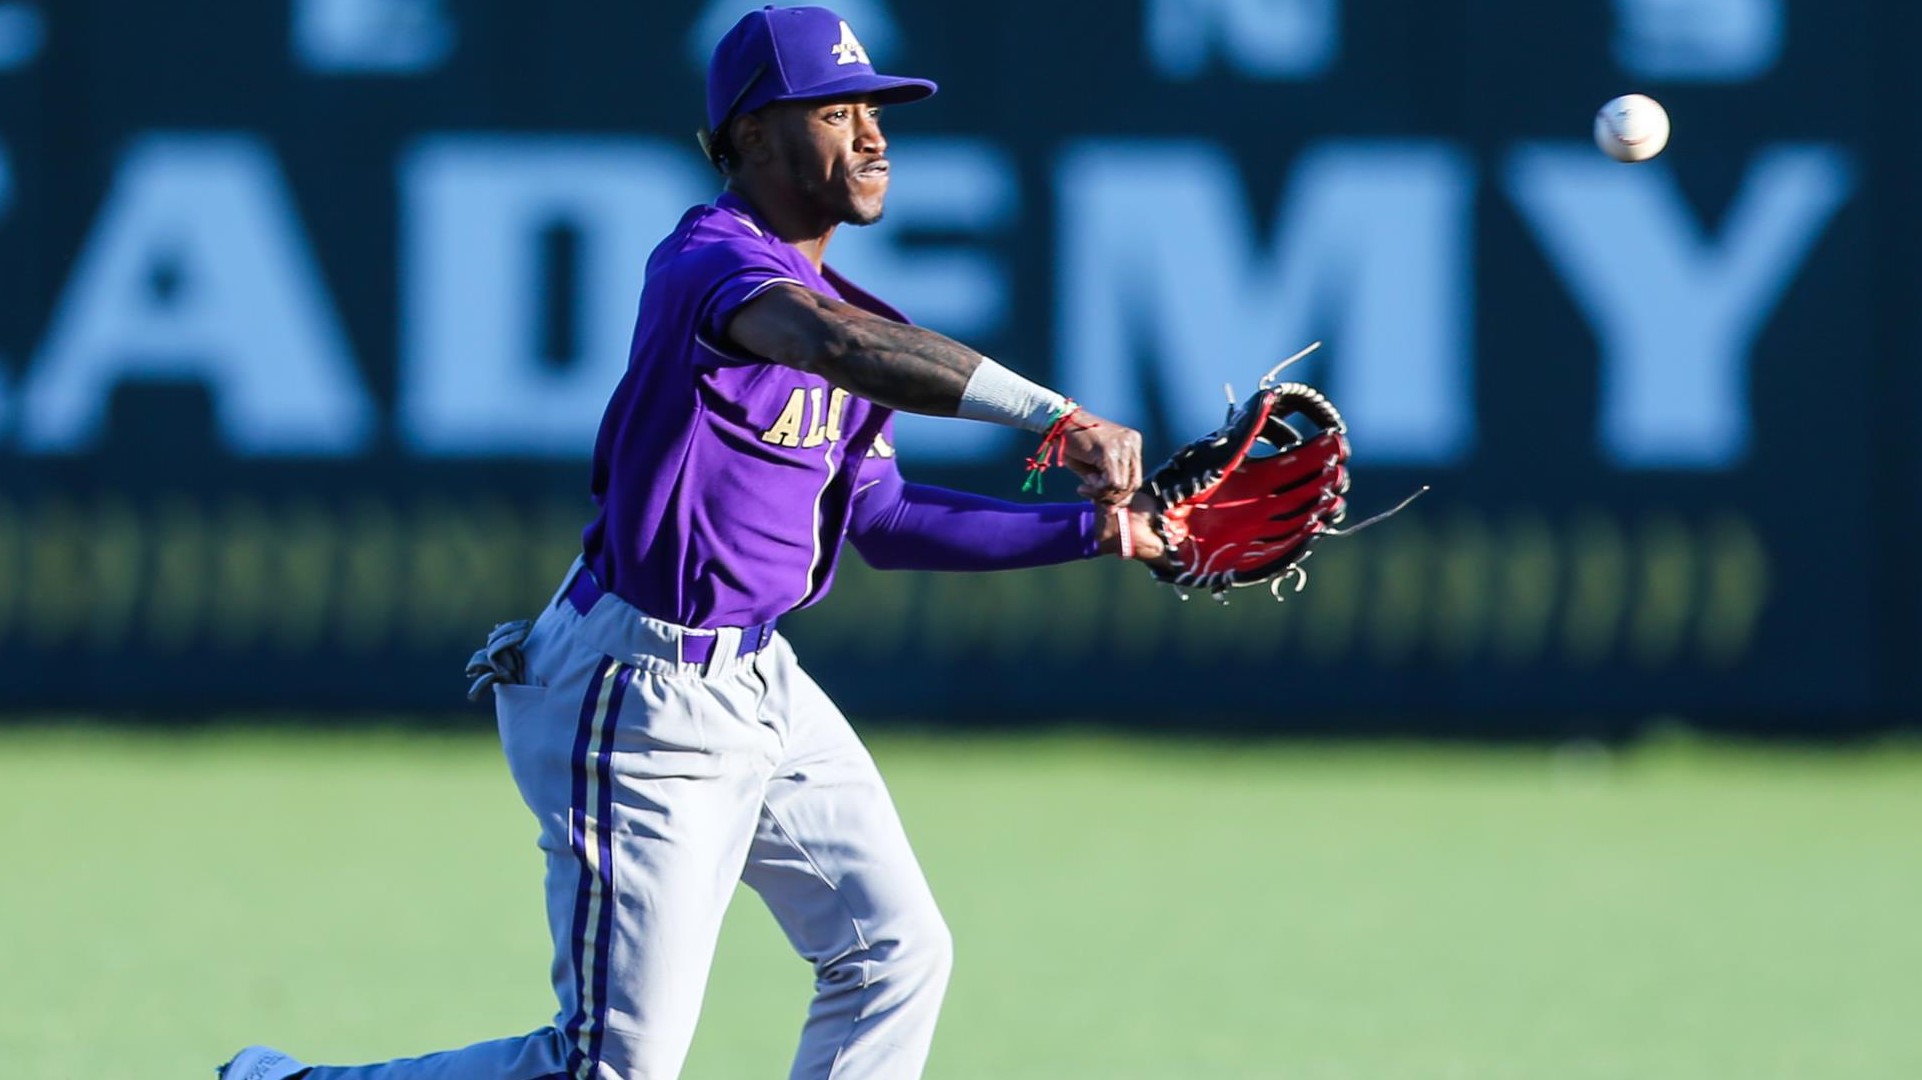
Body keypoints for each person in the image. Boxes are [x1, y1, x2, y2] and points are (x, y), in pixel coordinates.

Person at [219, 6, 1164, 1079]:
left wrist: (1102, 529)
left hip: (765, 680)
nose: (871, 136)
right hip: (640, 692)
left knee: (895, 956)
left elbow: (885, 522)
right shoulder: (709, 264)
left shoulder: (860, 314)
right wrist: (1051, 413)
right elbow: (830, 346)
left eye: (875, 111)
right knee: (607, 1069)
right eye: (835, 110)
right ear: (751, 135)